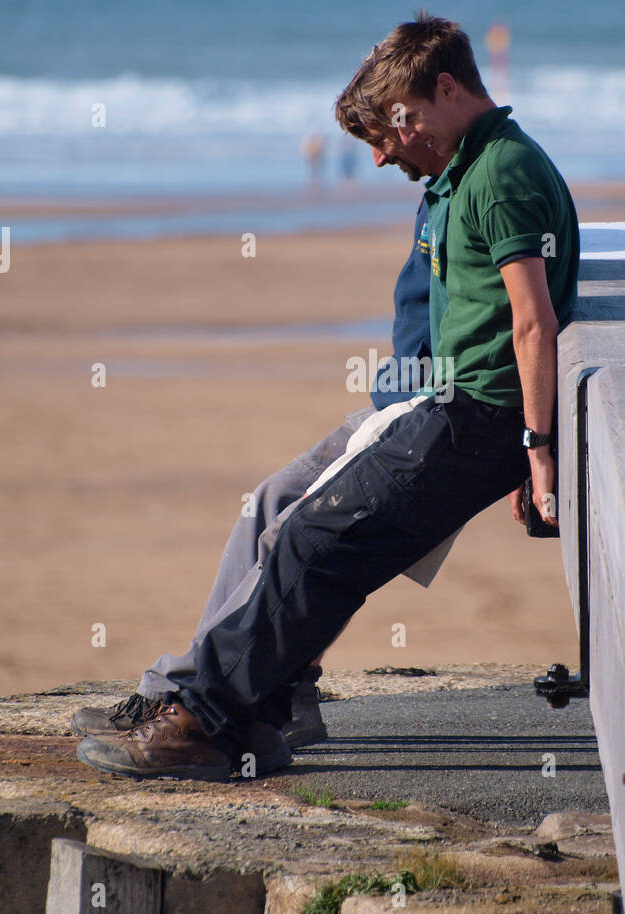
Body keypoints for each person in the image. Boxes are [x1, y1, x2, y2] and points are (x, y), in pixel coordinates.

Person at [75, 14, 579, 781]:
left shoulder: (501, 172)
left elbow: (535, 324)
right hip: (451, 406)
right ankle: (245, 713)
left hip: (471, 416)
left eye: (399, 123)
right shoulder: (473, 167)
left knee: (313, 542)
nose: (385, 152)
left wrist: (536, 455)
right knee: (291, 519)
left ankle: (206, 722)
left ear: (447, 89)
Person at [72, 62, 450, 764]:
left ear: (436, 99)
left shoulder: (480, 183)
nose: (379, 155)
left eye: (385, 134)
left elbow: (519, 322)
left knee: (296, 531)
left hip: (421, 415)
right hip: (398, 404)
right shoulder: (445, 185)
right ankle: (235, 690)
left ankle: (209, 697)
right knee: (270, 502)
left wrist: (532, 444)